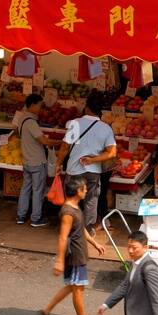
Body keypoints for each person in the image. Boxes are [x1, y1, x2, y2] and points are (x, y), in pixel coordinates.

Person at [39, 176, 106, 315]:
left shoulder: (75, 208)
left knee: (72, 286)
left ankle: (46, 311)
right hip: (75, 256)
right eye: (84, 188)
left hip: (79, 253)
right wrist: (59, 261)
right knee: (78, 289)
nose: (86, 190)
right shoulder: (68, 212)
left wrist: (95, 244)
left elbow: (81, 228)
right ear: (78, 191)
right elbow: (63, 237)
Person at [56, 97, 118, 231]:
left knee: (73, 200)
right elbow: (112, 153)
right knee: (91, 200)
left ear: (87, 108)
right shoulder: (106, 128)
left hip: (74, 169)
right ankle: (87, 230)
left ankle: (71, 227)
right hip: (93, 171)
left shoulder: (75, 123)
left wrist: (58, 164)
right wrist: (92, 160)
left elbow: (64, 147)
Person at [16, 94, 60, 227]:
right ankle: (36, 218)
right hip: (37, 162)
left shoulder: (22, 119)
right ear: (32, 105)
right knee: (37, 190)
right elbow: (44, 141)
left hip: (27, 160)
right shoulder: (31, 122)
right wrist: (60, 142)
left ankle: (21, 216)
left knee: (25, 188)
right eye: (40, 105)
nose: (41, 109)